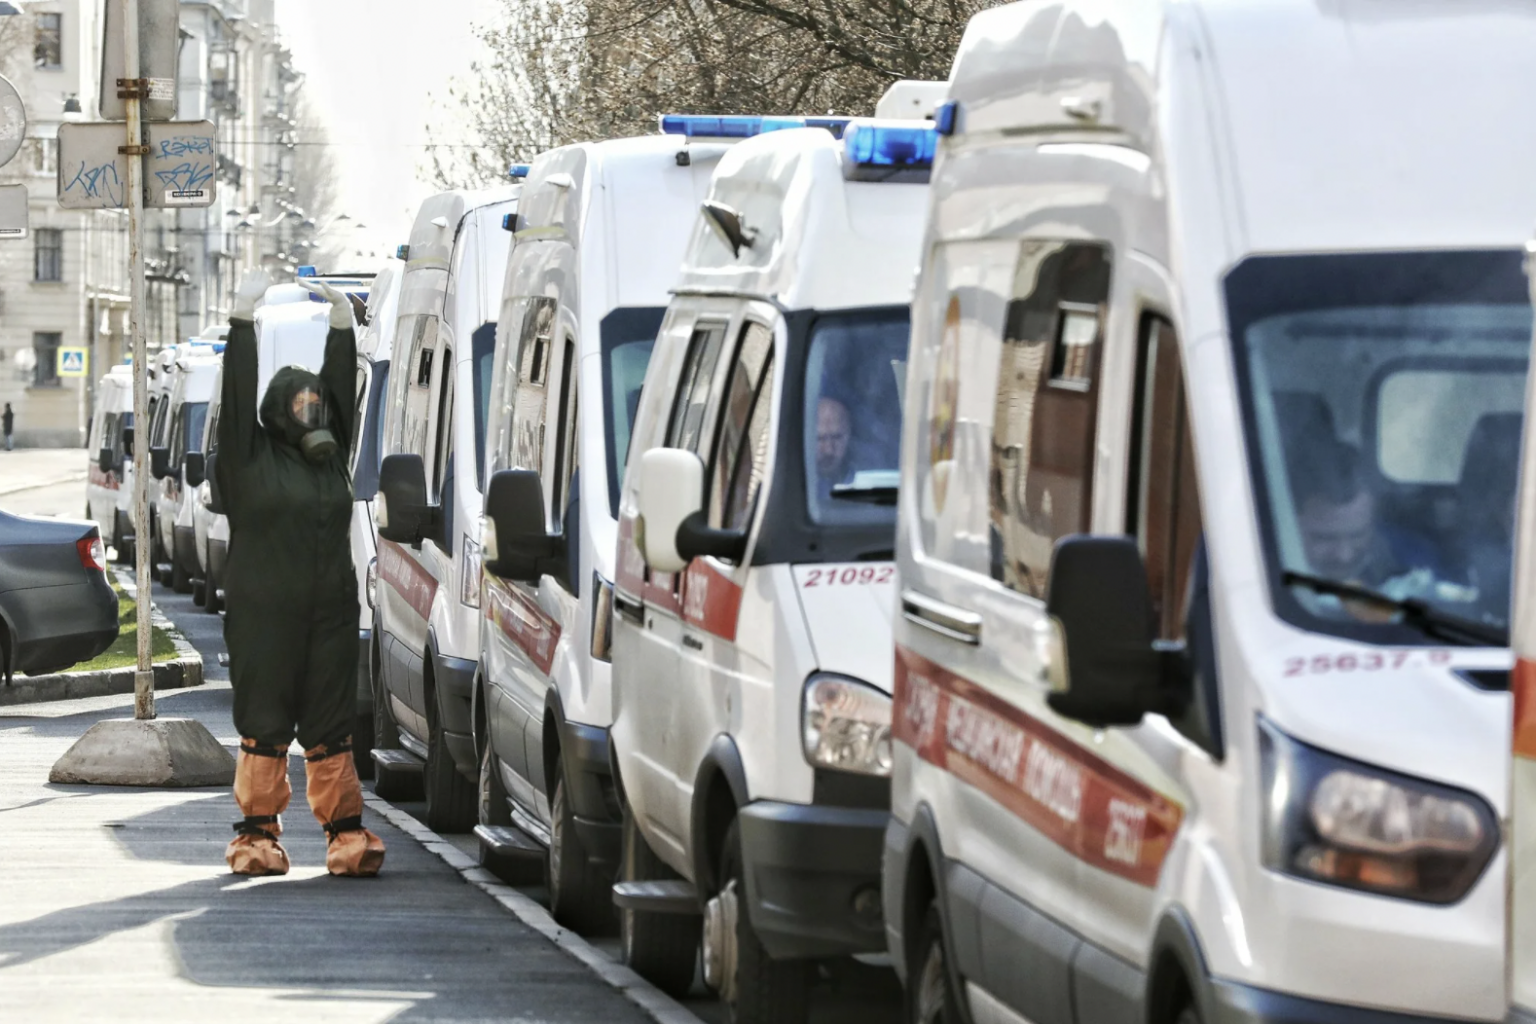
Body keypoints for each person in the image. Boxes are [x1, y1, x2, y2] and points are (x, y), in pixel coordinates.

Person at [218, 270, 384, 878]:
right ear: (278, 413)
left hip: (331, 613)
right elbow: (236, 396)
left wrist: (341, 327)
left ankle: (346, 835)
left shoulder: (328, 455)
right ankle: (256, 837)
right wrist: (243, 321)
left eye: (315, 401)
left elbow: (341, 391)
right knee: (265, 722)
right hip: (265, 617)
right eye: (301, 403)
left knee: (331, 723)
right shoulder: (247, 458)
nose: (312, 408)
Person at [815, 394, 853, 492]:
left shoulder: (865, 483)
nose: (829, 450)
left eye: (837, 438)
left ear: (849, 435)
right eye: (820, 438)